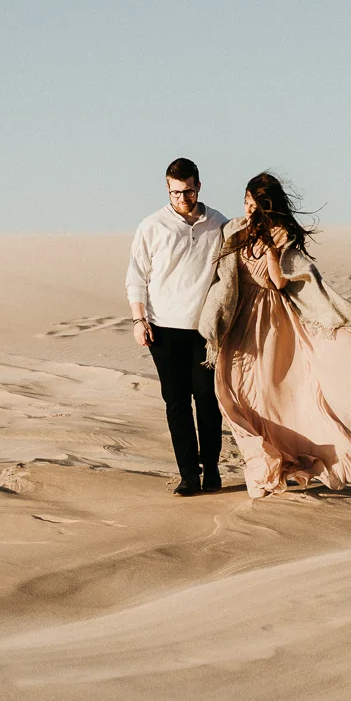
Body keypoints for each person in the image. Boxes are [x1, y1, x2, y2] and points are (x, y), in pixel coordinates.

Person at [200, 172, 351, 498]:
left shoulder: (281, 235)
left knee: (270, 394)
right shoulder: (236, 230)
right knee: (235, 392)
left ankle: (274, 465)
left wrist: (268, 249)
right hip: (241, 320)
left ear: (269, 205)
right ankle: (265, 462)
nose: (248, 208)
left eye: (255, 204)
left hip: (272, 320)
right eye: (246, 202)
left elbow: (279, 283)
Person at [125, 158, 231, 495]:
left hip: (204, 329)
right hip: (162, 328)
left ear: (198, 186)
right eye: (174, 193)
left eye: (187, 191)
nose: (181, 198)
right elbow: (136, 276)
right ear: (167, 190)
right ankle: (188, 474)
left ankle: (211, 468)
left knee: (207, 399)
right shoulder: (152, 225)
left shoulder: (218, 224)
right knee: (176, 401)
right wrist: (138, 319)